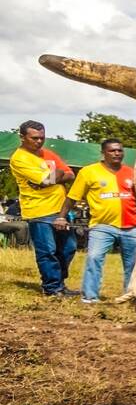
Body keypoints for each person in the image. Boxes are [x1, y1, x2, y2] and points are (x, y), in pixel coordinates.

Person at [63, 138, 136, 303]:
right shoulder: (89, 172)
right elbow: (72, 197)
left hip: (131, 225)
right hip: (102, 226)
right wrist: (61, 217)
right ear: (103, 153)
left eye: (119, 150)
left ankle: (132, 297)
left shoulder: (132, 172)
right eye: (112, 150)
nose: (117, 153)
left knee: (134, 265)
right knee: (94, 258)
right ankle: (90, 297)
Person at [8, 121, 78, 296]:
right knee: (47, 251)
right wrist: (52, 177)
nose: (39, 141)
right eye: (34, 138)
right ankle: (52, 288)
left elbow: (69, 174)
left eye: (42, 137)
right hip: (39, 211)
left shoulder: (48, 153)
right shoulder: (19, 158)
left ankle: (60, 284)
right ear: (22, 137)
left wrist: (54, 177)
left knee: (69, 247)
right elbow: (46, 180)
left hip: (61, 210)